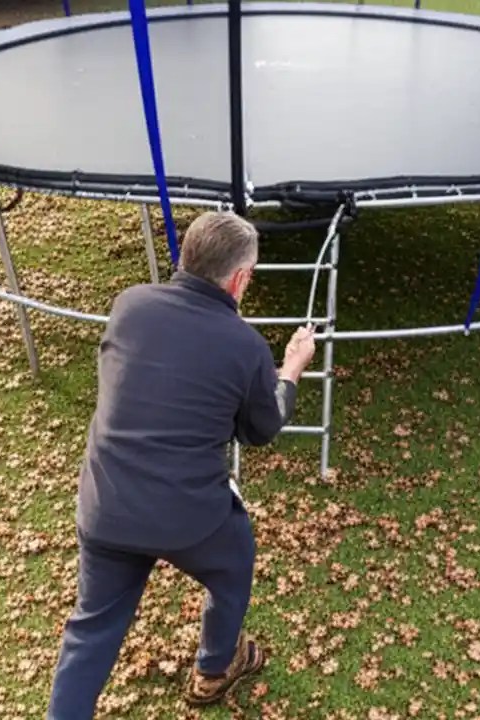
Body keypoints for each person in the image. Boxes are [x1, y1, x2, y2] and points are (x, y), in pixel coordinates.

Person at [46, 211, 317, 719]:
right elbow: (262, 428)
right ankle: (214, 670)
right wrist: (291, 371)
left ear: (186, 256)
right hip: (187, 514)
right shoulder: (245, 346)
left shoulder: (128, 306)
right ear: (240, 279)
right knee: (234, 564)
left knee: (92, 628)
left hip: (105, 505)